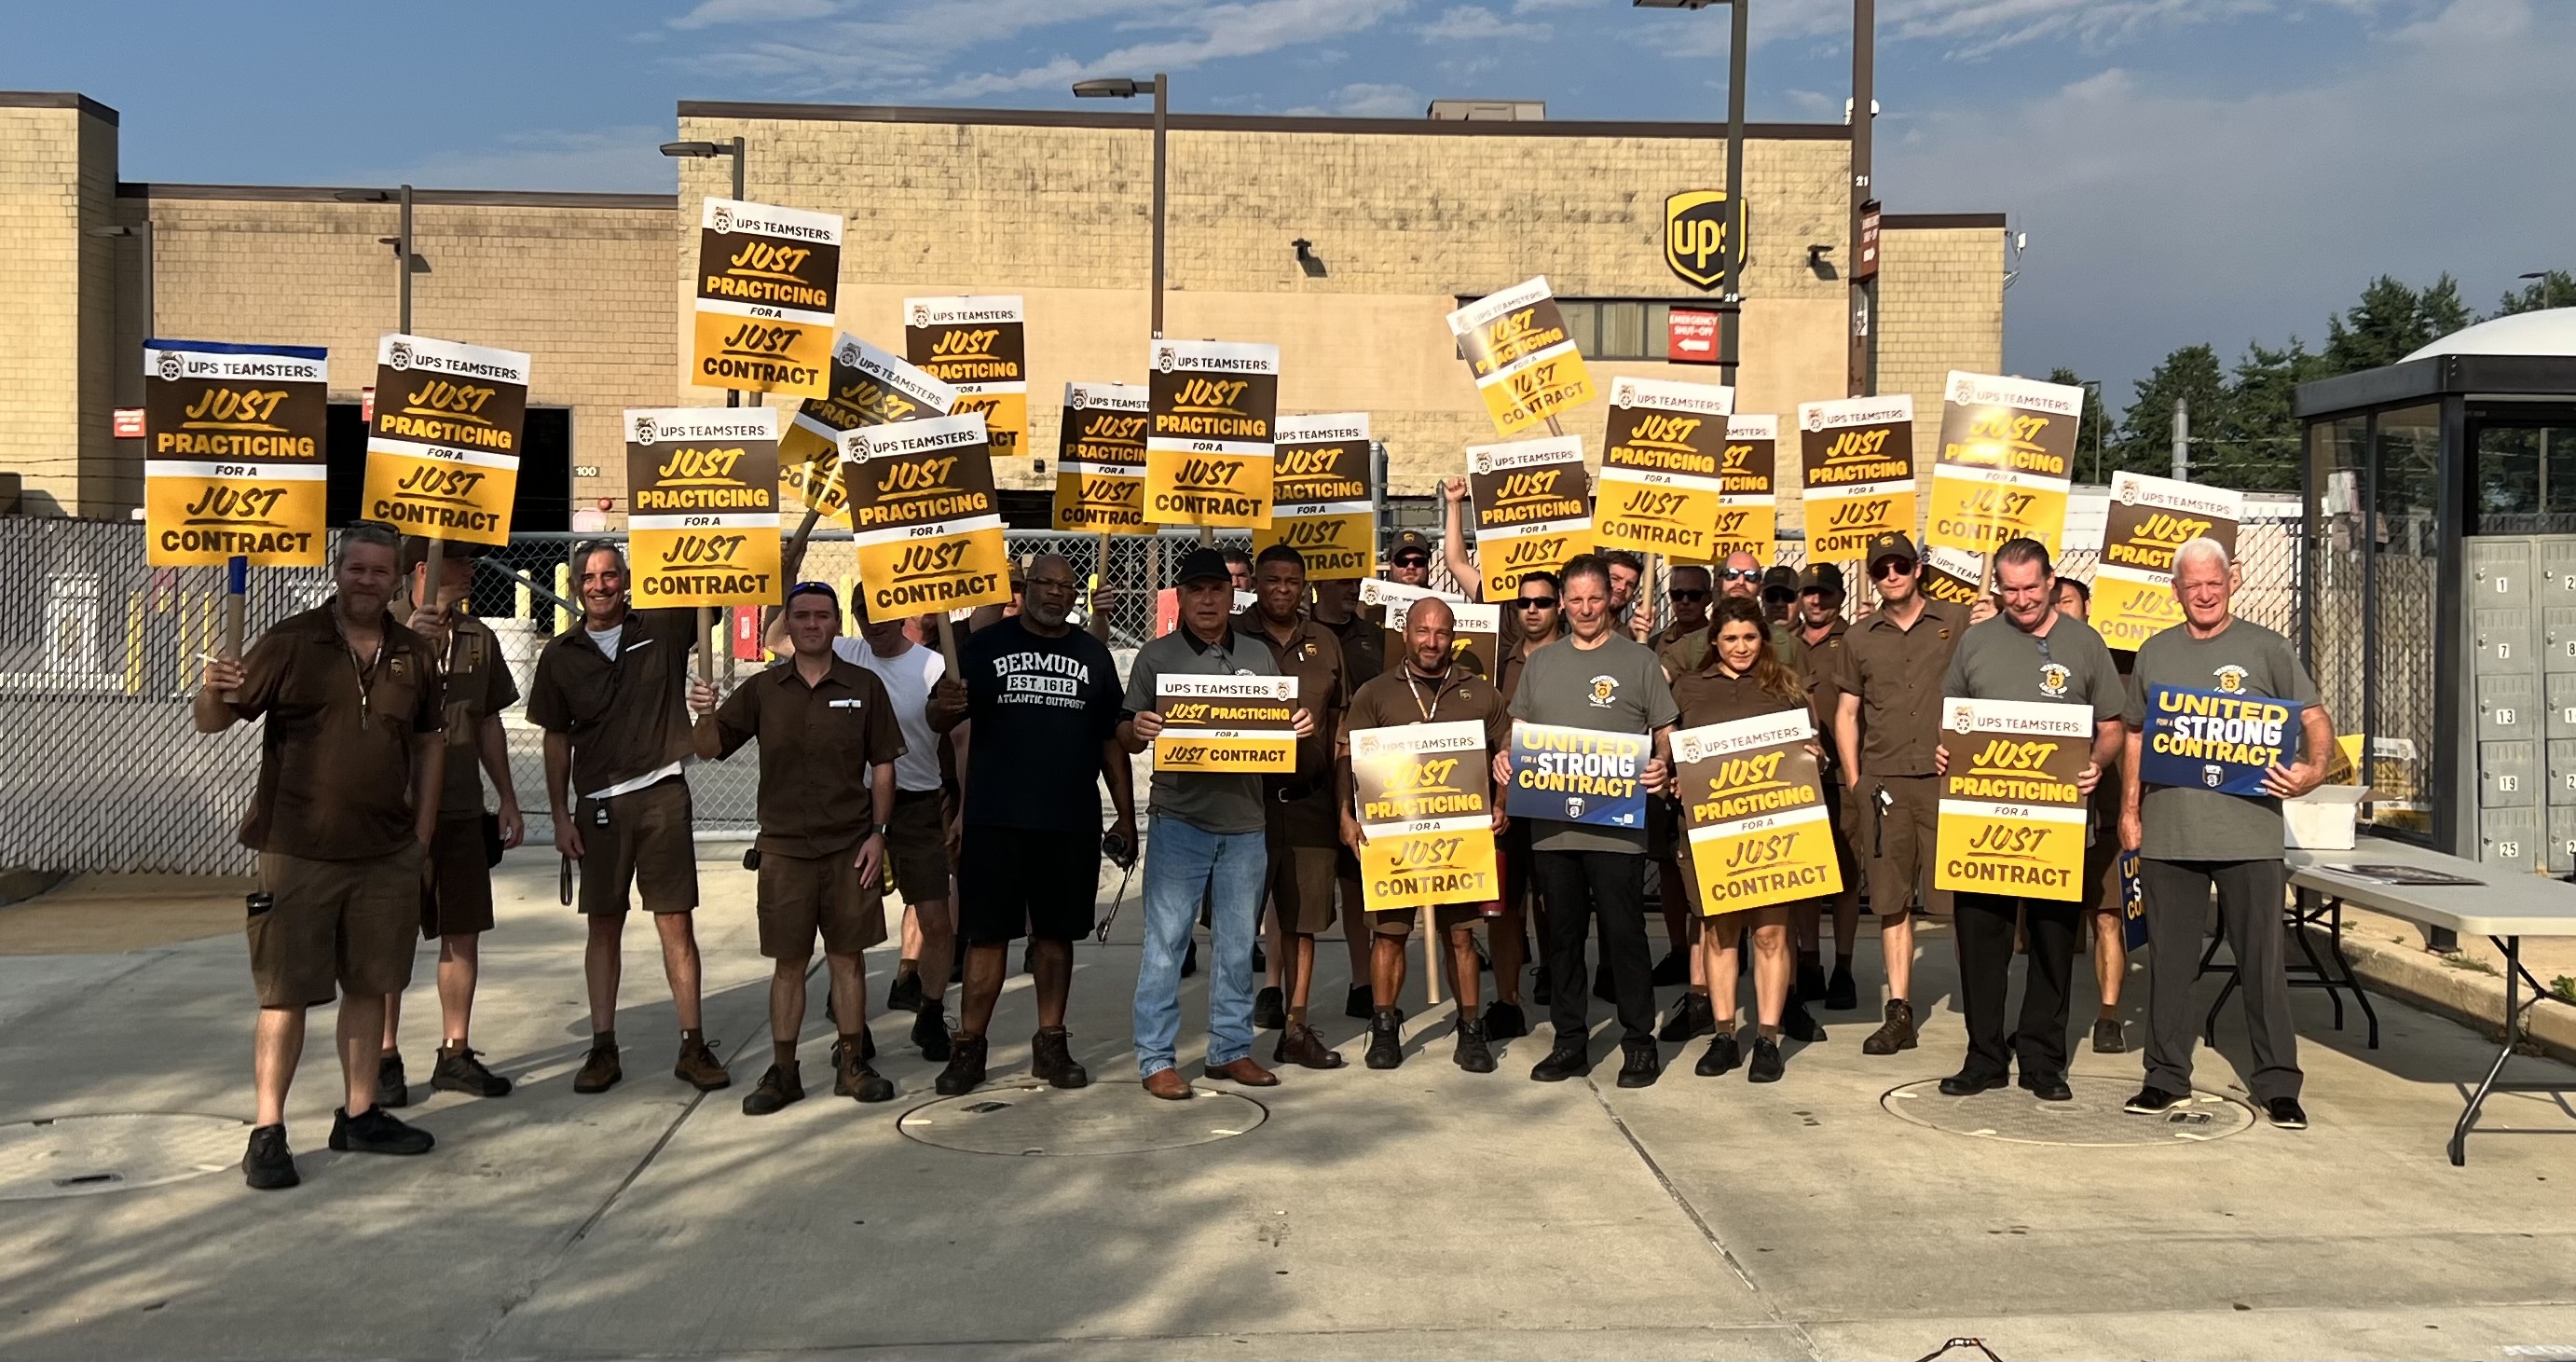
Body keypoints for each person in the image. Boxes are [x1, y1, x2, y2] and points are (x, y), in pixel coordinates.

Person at [196, 522, 444, 1189]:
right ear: (338, 571)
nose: (367, 580)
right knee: (285, 994)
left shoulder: (414, 653)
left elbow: (429, 744)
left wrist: (420, 836)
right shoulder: (291, 641)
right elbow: (214, 720)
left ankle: (359, 1114)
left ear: (398, 579)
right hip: (297, 851)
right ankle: (267, 1130)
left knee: (370, 986)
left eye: (380, 571)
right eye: (356, 568)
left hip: (385, 853)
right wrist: (212, 686)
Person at [2120, 537, 2332, 1130]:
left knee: (2262, 966)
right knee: (2170, 964)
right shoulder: (2155, 652)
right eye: (2193, 586)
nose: (2205, 594)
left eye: (2214, 583)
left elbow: (2314, 718)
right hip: (2171, 835)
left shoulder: (2268, 648)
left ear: (2232, 581)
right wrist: (2129, 809)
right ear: (2176, 591)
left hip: (2250, 836)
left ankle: (2278, 1084)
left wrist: (2313, 770)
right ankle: (2165, 1077)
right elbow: (2134, 733)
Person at [689, 583, 904, 1112]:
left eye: (822, 616)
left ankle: (852, 1064)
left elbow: (883, 765)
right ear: (788, 624)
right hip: (784, 851)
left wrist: (878, 833)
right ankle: (783, 1071)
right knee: (789, 963)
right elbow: (710, 749)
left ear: (836, 624)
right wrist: (704, 711)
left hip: (850, 846)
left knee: (847, 959)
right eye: (801, 616)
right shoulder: (763, 690)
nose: (811, 624)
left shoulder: (865, 685)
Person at [528, 542, 729, 1095]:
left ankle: (692, 1045)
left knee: (676, 923)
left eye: (610, 575)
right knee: (603, 926)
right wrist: (561, 815)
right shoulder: (559, 655)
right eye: (590, 577)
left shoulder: (662, 628)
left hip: (662, 795)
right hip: (598, 805)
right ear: (575, 587)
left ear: (626, 580)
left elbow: (719, 587)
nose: (600, 585)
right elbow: (555, 739)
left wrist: (757, 545)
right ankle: (603, 1048)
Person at [928, 554, 1133, 1094]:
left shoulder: (1093, 656)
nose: (1055, 593)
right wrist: (945, 705)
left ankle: (1051, 1043)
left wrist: (1126, 815)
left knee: (1056, 937)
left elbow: (1110, 742)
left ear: (1075, 595)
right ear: (1028, 588)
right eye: (1045, 583)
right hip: (995, 818)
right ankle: (969, 1047)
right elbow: (939, 718)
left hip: (1068, 820)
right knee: (986, 938)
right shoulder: (985, 646)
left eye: (1067, 586)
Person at [1931, 539, 2125, 1102]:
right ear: (1998, 587)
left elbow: (2112, 725)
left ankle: (2042, 1060)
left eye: (2031, 588)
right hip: (1982, 823)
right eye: (2010, 589)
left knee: (2051, 945)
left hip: (2056, 824)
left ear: (2051, 583)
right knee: (1981, 943)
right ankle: (1984, 1057)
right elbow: (1953, 717)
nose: (2021, 599)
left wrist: (2096, 762)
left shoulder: (2085, 643)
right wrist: (1945, 750)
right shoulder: (1976, 641)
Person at [1122, 547, 1317, 1099]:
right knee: (1166, 943)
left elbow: (1276, 729)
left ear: (1234, 596)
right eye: (1196, 590)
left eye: (1217, 590)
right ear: (1180, 597)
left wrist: (1295, 725)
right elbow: (1123, 733)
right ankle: (1156, 1058)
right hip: (1180, 820)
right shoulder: (1156, 656)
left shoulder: (1257, 655)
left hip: (1245, 824)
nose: (1207, 600)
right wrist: (1137, 728)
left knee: (1236, 946)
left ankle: (1230, 1049)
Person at [1499, 555, 1678, 1087]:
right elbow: (1518, 729)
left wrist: (1662, 764)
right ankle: (1570, 1041)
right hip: (1554, 828)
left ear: (1610, 599)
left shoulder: (1639, 661)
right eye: (1574, 599)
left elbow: (1665, 730)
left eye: (1594, 598)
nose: (1584, 609)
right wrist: (1505, 755)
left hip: (1617, 827)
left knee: (1625, 937)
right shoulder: (1541, 663)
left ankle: (1639, 1043)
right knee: (1563, 939)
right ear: (1562, 603)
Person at [1337, 596, 1514, 1071]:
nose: (1431, 641)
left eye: (1441, 632)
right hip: (1392, 836)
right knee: (1389, 936)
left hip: (1460, 836)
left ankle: (1470, 1029)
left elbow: (1507, 750)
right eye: (1422, 631)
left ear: (1453, 637)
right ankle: (1384, 1026)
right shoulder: (1375, 693)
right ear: (1406, 634)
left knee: (1461, 937)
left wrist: (1502, 803)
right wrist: (1346, 814)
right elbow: (1348, 757)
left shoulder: (1479, 692)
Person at [377, 539, 521, 1107]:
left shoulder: (477, 636)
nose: (470, 571)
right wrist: (412, 644)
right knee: (388, 937)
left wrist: (507, 796)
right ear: (425, 567)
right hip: (393, 810)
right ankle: (383, 1056)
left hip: (460, 805)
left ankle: (455, 1052)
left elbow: (487, 721)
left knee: (463, 932)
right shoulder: (381, 630)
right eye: (461, 561)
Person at [1663, 596, 1819, 1082]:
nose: (1741, 647)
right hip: (1710, 830)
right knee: (1720, 933)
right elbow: (1670, 753)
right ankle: (1725, 1034)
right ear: (1714, 641)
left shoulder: (1787, 687)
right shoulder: (1688, 689)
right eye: (1730, 638)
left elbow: (1812, 749)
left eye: (1750, 637)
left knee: (1771, 934)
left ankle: (1768, 1038)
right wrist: (1674, 778)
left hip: (1774, 831)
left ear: (1763, 639)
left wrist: (1815, 757)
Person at [1828, 531, 1970, 1056]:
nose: (1892, 576)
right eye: (1882, 569)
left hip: (1945, 783)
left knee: (1963, 901)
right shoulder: (1859, 638)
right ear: (1872, 578)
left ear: (1918, 569)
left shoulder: (1958, 622)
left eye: (1901, 566)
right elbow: (1847, 712)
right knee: (1891, 903)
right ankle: (1900, 1012)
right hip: (1885, 782)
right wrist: (1856, 779)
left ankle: (1981, 1006)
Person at [1238, 544, 1351, 1069]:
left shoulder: (1324, 642)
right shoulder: (1232, 637)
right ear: (1255, 583)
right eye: (1272, 579)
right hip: (1245, 804)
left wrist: (1343, 804)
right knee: (1238, 923)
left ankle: (1297, 1028)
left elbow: (1341, 729)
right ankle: (1227, 1037)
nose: (1282, 589)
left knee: (1303, 921)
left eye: (1291, 581)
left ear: (1305, 587)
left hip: (1309, 803)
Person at [838, 598, 959, 1063]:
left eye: (880, 611)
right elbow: (775, 640)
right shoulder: (846, 652)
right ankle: (851, 1026)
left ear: (899, 612)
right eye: (863, 613)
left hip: (916, 803)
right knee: (849, 921)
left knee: (935, 918)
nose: (873, 623)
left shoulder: (932, 666)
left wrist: (963, 807)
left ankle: (930, 1012)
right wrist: (786, 571)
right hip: (856, 806)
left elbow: (959, 735)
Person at [2054, 573, 2133, 1052]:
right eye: (2053, 601)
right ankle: (2048, 1016)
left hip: (2105, 813)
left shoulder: (2121, 665)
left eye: (2067, 601)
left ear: (2087, 606)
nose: (2059, 609)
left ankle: (2108, 1015)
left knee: (2107, 918)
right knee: (2054, 924)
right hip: (2051, 814)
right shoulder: (2033, 663)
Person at [1484, 571, 1563, 1037]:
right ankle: (1507, 1000)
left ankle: (1556, 976)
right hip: (1504, 801)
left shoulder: (1575, 658)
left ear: (1559, 606)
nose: (1532, 610)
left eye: (1543, 602)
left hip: (1560, 797)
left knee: (1557, 900)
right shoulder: (1496, 659)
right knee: (1505, 905)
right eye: (1524, 602)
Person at [1794, 564, 1863, 1012]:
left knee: (1845, 878)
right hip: (1797, 778)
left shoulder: (1855, 639)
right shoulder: (1784, 643)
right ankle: (1809, 962)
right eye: (1809, 593)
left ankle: (1843, 966)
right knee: (1804, 876)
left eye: (1825, 593)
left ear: (1841, 596)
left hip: (1842, 774)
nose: (1817, 600)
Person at [1651, 564, 1713, 651]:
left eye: (1694, 595)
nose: (1685, 601)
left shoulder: (1718, 642)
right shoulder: (1654, 645)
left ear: (1709, 598)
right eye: (1678, 594)